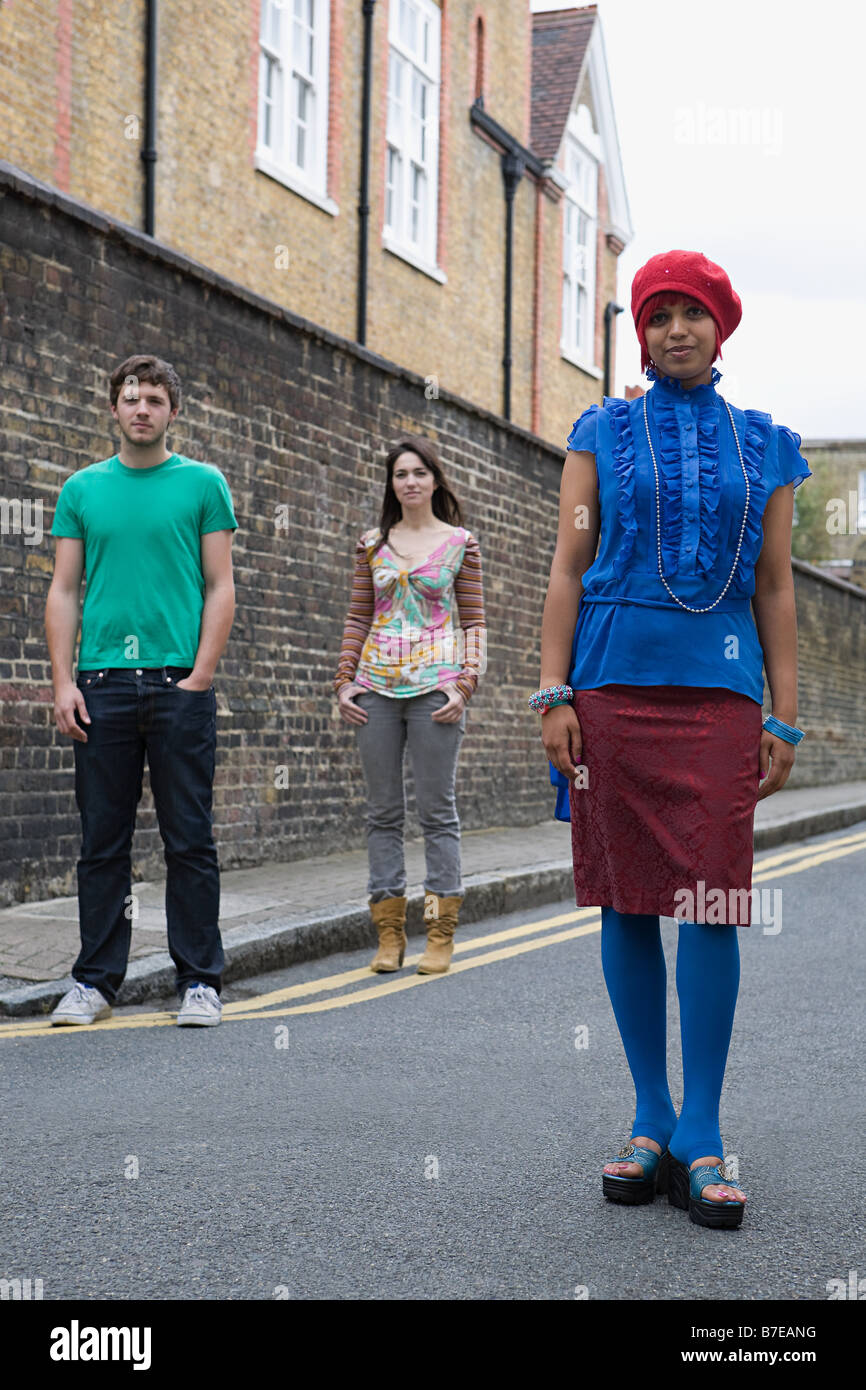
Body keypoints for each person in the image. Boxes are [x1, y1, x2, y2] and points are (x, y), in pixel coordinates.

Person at [534, 250, 811, 1228]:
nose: (674, 330)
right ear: (639, 332)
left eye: (693, 314)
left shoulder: (766, 446)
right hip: (608, 688)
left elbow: (773, 586)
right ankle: (648, 1115)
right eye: (658, 316)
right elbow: (567, 564)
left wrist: (780, 709)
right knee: (625, 897)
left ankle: (701, 1127)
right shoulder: (598, 430)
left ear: (719, 327)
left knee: (709, 898)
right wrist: (550, 690)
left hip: (720, 696)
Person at [45, 354, 238, 1026]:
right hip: (101, 687)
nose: (141, 409)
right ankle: (94, 982)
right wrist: (63, 680)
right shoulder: (82, 490)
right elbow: (65, 589)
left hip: (177, 682)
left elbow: (221, 585)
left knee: (190, 839)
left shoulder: (203, 485)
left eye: (154, 399)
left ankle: (200, 981)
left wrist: (200, 676)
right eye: (131, 398)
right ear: (113, 407)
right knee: (103, 840)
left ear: (171, 411)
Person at [334, 436, 486, 975]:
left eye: (421, 472)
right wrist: (343, 681)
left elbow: (474, 623)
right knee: (381, 814)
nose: (411, 481)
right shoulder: (371, 544)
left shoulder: (460, 543)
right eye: (401, 474)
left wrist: (465, 683)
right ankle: (389, 936)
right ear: (391, 484)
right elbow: (357, 618)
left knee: (436, 813)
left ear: (436, 480)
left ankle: (439, 934)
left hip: (436, 691)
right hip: (374, 688)